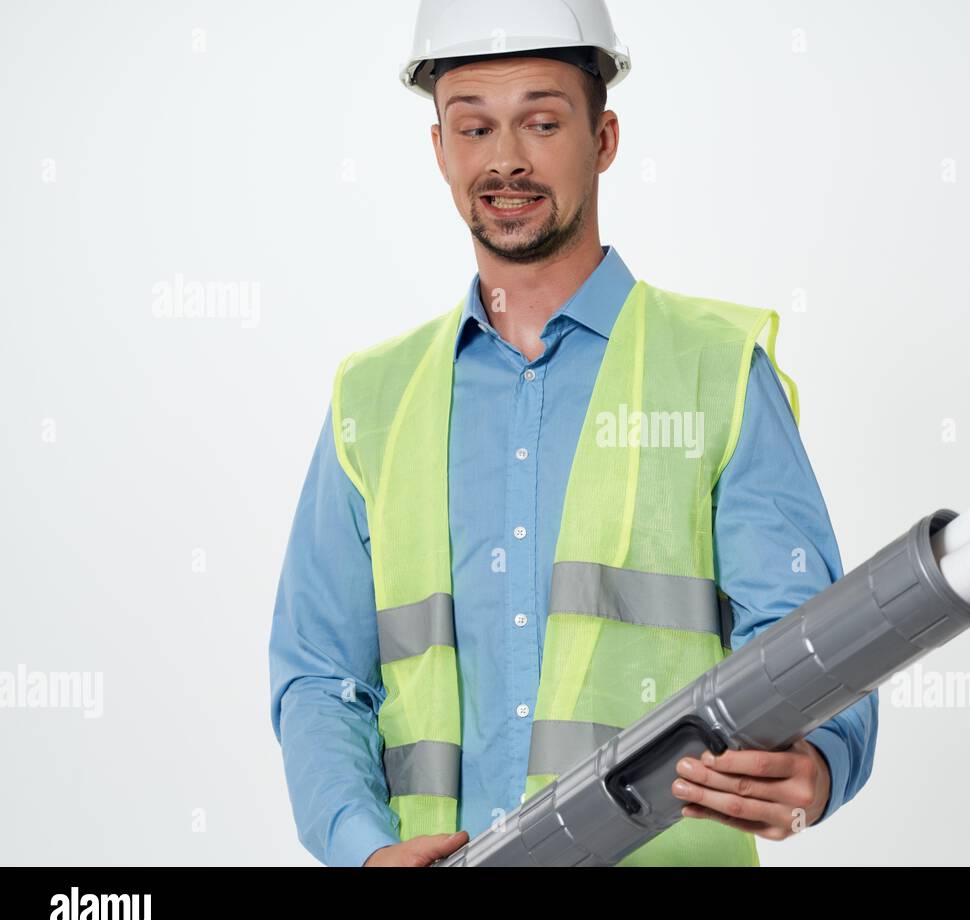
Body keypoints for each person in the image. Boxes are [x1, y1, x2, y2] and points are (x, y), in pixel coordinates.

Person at [268, 0, 878, 867]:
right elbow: (319, 676)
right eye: (473, 126)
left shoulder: (714, 370)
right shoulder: (373, 399)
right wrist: (362, 848)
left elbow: (805, 633)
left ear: (604, 138)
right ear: (439, 148)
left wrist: (820, 759)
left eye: (542, 120)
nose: (505, 158)